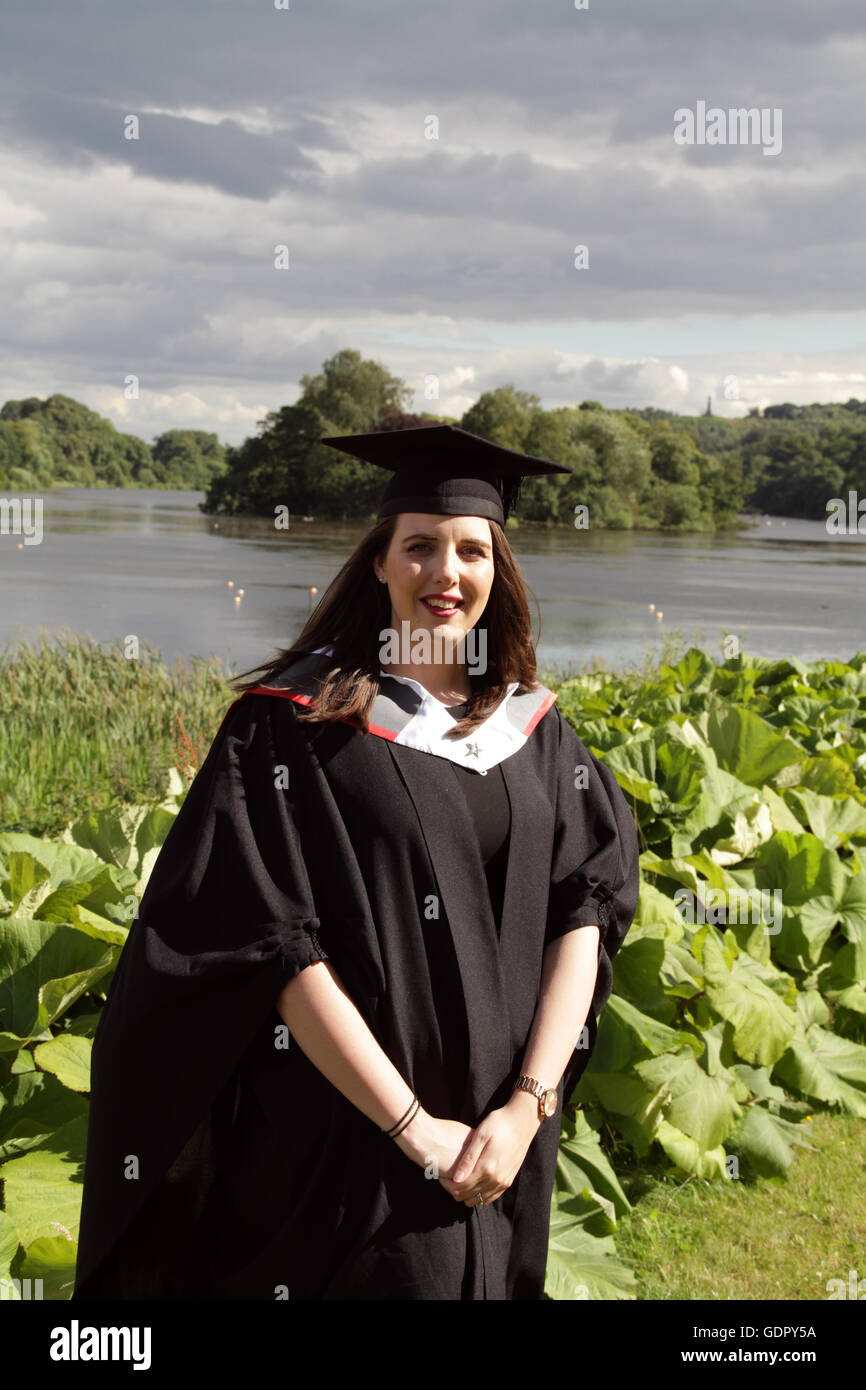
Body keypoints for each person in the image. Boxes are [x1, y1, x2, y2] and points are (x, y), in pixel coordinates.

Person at [72, 423, 639, 1302]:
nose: (445, 574)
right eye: (419, 547)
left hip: (505, 1139)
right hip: (349, 1141)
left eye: (469, 551)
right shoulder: (294, 725)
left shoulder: (535, 727)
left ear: (498, 568)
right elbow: (270, 944)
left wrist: (526, 1109)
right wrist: (417, 1130)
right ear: (379, 562)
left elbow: (585, 908)